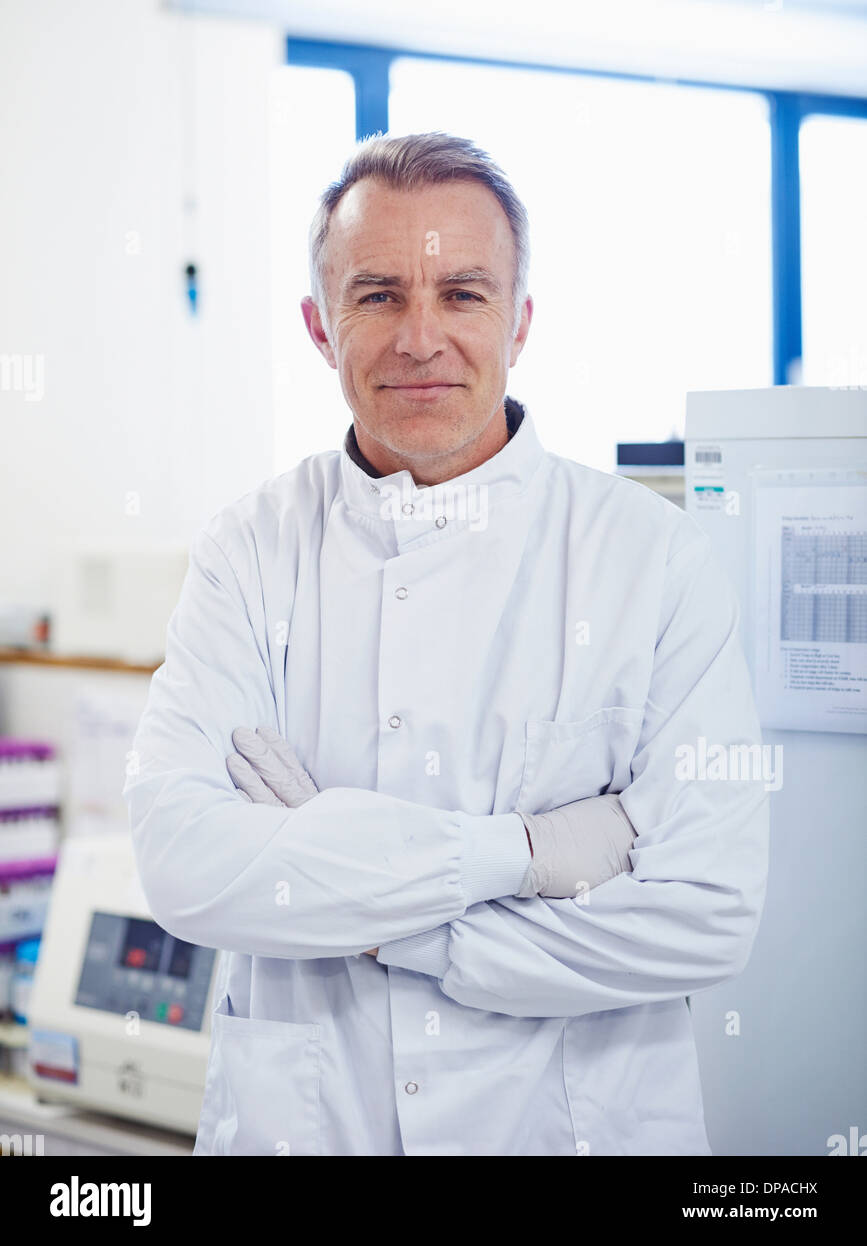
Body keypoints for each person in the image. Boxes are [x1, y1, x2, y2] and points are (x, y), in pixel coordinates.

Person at [125, 132, 769, 1156]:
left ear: (520, 320)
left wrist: (383, 917)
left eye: (462, 293)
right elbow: (184, 861)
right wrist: (526, 851)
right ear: (317, 327)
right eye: (378, 294)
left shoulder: (650, 561)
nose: (420, 338)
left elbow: (705, 914)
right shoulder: (250, 551)